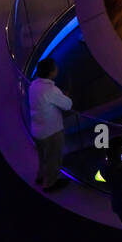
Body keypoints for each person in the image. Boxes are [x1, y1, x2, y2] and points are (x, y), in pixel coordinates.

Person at [27, 57, 71, 191]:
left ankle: (41, 176)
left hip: (37, 130)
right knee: (54, 158)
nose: (57, 69)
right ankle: (50, 184)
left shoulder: (33, 85)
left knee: (42, 156)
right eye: (55, 68)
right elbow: (68, 105)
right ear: (51, 72)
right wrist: (65, 96)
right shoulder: (52, 90)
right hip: (51, 132)